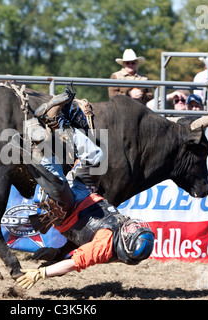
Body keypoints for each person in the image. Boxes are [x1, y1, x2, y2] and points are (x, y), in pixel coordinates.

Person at [13, 89, 154, 290]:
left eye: (132, 231)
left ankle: (35, 147)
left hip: (67, 214)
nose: (131, 225)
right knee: (96, 158)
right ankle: (58, 125)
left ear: (126, 241)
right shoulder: (120, 237)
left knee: (60, 188)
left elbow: (74, 263)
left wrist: (42, 273)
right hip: (88, 193)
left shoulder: (103, 248)